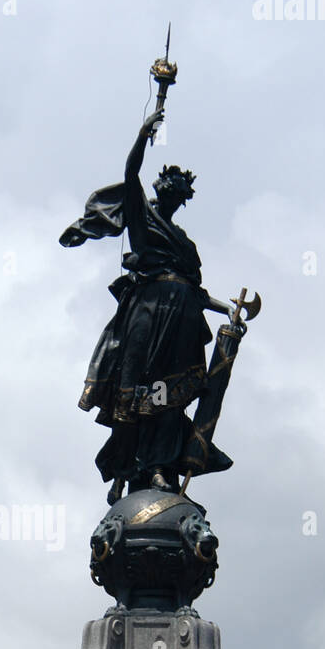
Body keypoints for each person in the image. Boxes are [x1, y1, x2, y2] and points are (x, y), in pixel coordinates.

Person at [61, 109, 240, 503]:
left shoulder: (184, 243)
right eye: (168, 188)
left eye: (179, 193)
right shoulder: (143, 218)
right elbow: (130, 176)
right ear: (160, 189)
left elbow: (194, 289)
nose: (172, 195)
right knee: (135, 391)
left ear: (183, 200)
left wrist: (225, 309)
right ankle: (125, 470)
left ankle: (158, 467)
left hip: (182, 320)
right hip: (147, 313)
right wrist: (144, 135)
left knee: (166, 395)